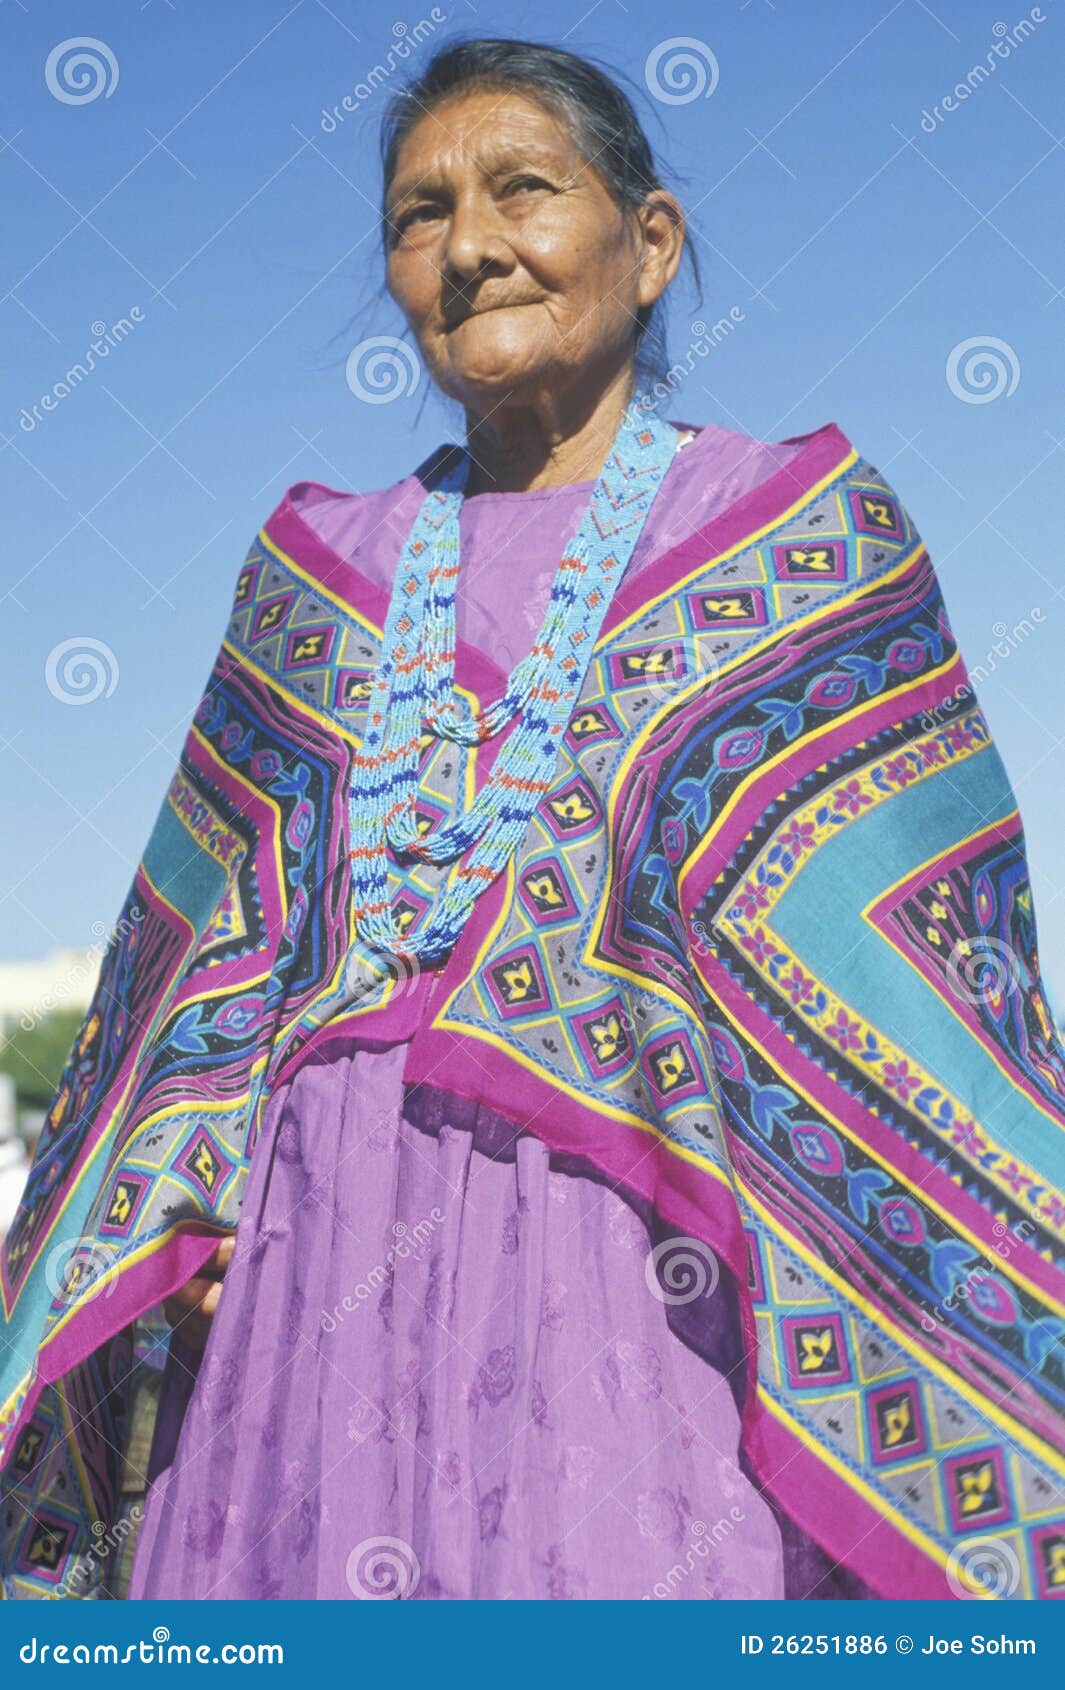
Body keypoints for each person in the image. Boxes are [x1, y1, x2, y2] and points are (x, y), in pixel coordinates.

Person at [2, 38, 1063, 1604]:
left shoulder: (804, 531)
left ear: (649, 243)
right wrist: (179, 1205)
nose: (472, 242)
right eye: (419, 213)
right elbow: (177, 985)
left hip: (650, 1262)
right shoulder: (313, 569)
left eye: (523, 188)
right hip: (311, 1273)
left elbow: (924, 967)